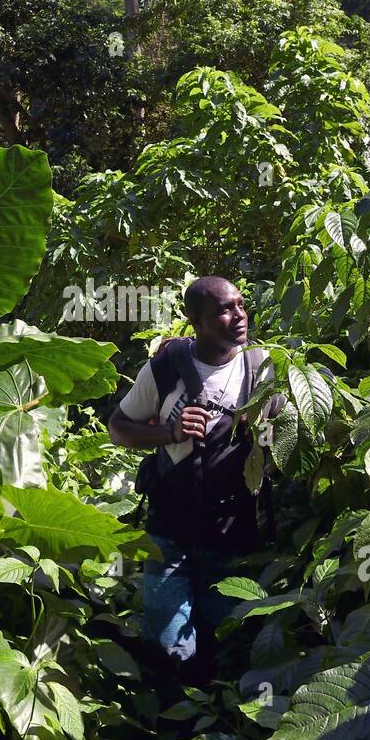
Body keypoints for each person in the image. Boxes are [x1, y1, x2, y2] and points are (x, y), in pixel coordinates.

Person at [107, 276, 277, 679]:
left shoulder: (262, 367)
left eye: (239, 305)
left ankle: (218, 726)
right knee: (170, 652)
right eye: (223, 309)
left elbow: (284, 440)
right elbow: (118, 427)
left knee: (225, 646)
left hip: (233, 532)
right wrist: (170, 432)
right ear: (195, 321)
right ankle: (166, 729)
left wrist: (263, 427)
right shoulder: (166, 368)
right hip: (170, 532)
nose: (238, 316)